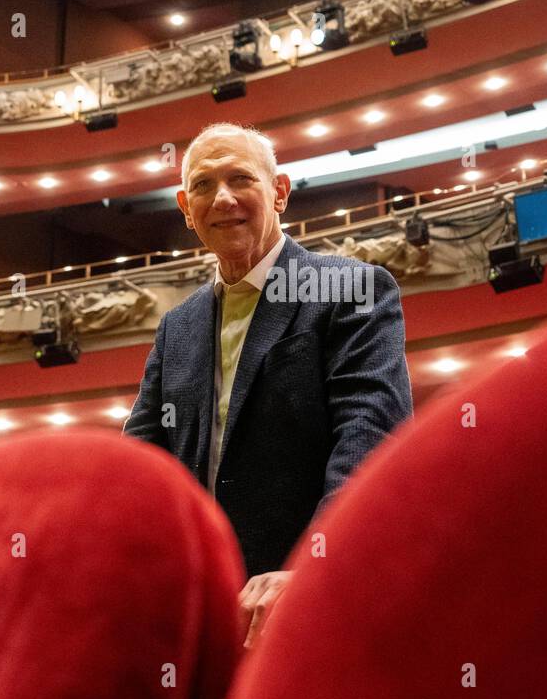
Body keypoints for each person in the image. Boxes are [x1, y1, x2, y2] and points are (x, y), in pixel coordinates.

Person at [124, 123, 412, 646]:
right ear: (186, 208)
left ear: (279, 191)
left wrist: (316, 567)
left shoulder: (351, 288)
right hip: (201, 616)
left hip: (311, 606)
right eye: (205, 186)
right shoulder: (178, 325)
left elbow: (369, 436)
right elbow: (141, 464)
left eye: (241, 178)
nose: (224, 198)